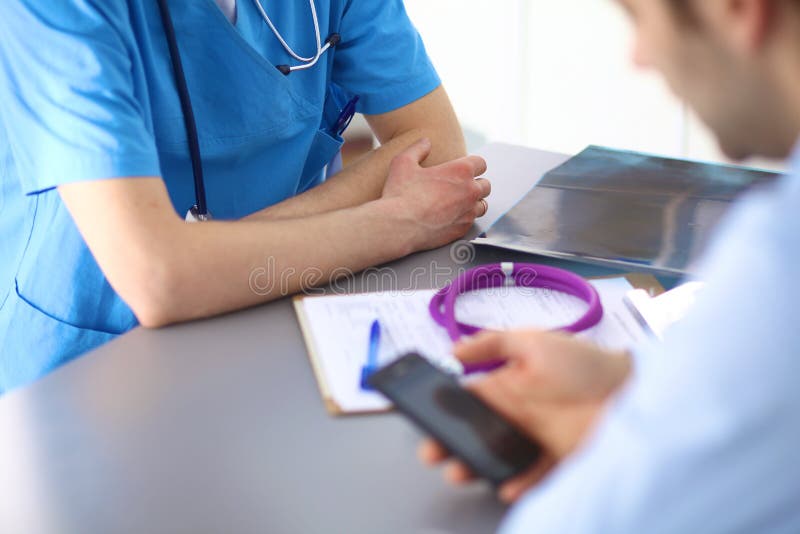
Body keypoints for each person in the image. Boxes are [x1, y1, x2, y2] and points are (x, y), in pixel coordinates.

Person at [419, 0, 800, 531]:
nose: (639, 57)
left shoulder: (781, 263)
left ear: (733, 10)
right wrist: (628, 386)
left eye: (641, 18)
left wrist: (641, 426)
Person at [0, 0, 491, 393]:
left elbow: (438, 152)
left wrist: (207, 261)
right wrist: (398, 222)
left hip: (280, 319)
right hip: (92, 368)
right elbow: (158, 279)